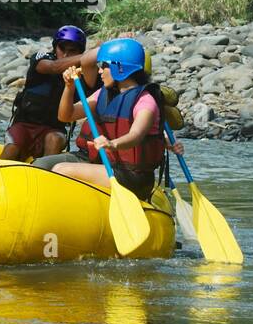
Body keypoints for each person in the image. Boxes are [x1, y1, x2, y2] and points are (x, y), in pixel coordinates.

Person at [33, 37, 182, 201]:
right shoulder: (103, 94)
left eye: (104, 66)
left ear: (120, 68)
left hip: (130, 175)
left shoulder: (145, 101)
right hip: (96, 161)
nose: (99, 71)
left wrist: (112, 144)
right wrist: (69, 88)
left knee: (62, 170)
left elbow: (136, 134)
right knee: (40, 166)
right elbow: (65, 116)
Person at [1, 24, 89, 161]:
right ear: (55, 47)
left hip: (53, 129)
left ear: (80, 52)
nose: (65, 54)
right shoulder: (41, 58)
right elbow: (54, 67)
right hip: (24, 125)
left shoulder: (82, 75)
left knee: (54, 139)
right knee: (13, 146)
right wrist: (86, 57)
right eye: (62, 49)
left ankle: (45, 174)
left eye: (72, 51)